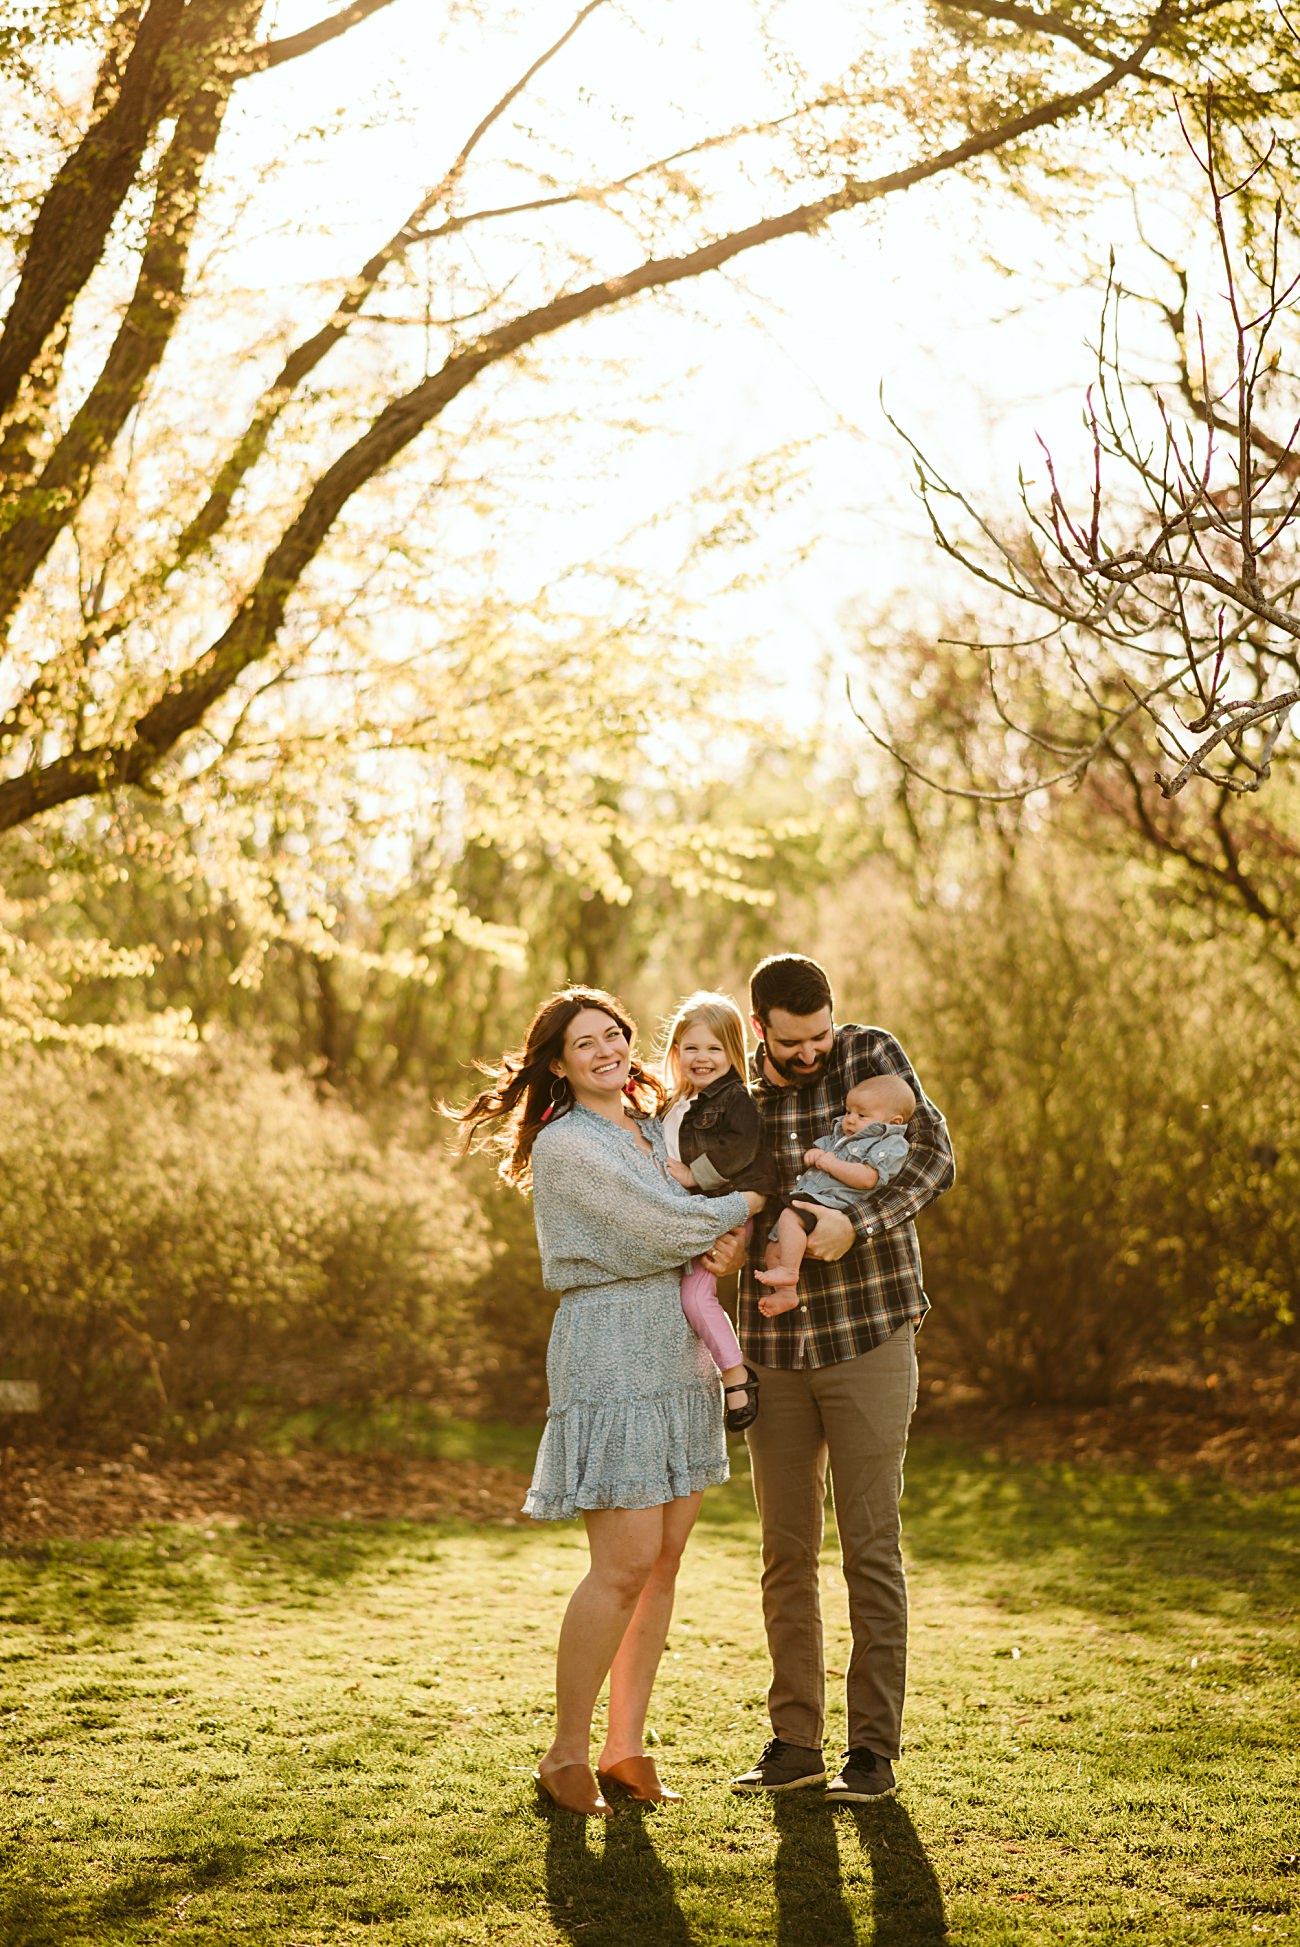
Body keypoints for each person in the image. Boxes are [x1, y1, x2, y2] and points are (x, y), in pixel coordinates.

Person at [455, 987, 765, 1819]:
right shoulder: (565, 1145)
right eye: (585, 1042)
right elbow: (663, 1223)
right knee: (622, 1562)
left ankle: (624, 1746)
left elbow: (696, 1219)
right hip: (611, 1347)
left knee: (664, 1560)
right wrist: (749, 1205)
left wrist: (727, 1242)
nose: (606, 1050)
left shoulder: (660, 1120)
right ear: (558, 1062)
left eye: (615, 1035)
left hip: (679, 1348)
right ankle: (563, 1753)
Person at [704, 954, 955, 1805]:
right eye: (794, 1040)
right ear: (762, 1027)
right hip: (774, 1346)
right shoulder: (742, 1096)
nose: (813, 1051)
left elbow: (932, 1160)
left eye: (821, 1034)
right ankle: (794, 1741)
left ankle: (872, 1751)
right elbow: (728, 1191)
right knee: (785, 1552)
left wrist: (856, 1221)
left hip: (869, 1335)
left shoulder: (870, 1054)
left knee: (870, 1545)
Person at [658, 991, 778, 1431]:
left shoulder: (735, 1101)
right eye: (691, 1048)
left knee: (695, 1295)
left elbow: (739, 1150)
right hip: (691, 1215)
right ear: (675, 1051)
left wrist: (693, 1176)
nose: (702, 1057)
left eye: (714, 1048)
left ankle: (736, 1376)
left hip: (729, 1209)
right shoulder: (675, 1103)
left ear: (734, 1052)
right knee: (679, 1298)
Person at [755, 1073, 915, 1315]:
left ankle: (788, 1272)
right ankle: (787, 1293)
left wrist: (829, 1163)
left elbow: (867, 1178)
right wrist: (815, 1154)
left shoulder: (889, 1142)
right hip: (815, 1195)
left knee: (789, 1218)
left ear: (893, 1121)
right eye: (848, 1111)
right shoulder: (844, 1133)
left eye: (861, 1115)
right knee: (773, 1249)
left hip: (835, 1204)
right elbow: (826, 1148)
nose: (850, 1120)